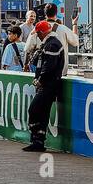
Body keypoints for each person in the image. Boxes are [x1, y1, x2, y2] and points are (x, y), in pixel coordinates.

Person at [25, 20, 67, 152]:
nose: (38, 36)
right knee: (42, 113)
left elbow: (49, 66)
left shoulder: (52, 45)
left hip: (48, 85)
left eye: (38, 34)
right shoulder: (49, 44)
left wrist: (40, 80)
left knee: (34, 109)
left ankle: (37, 138)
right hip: (48, 84)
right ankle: (38, 141)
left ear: (42, 32)